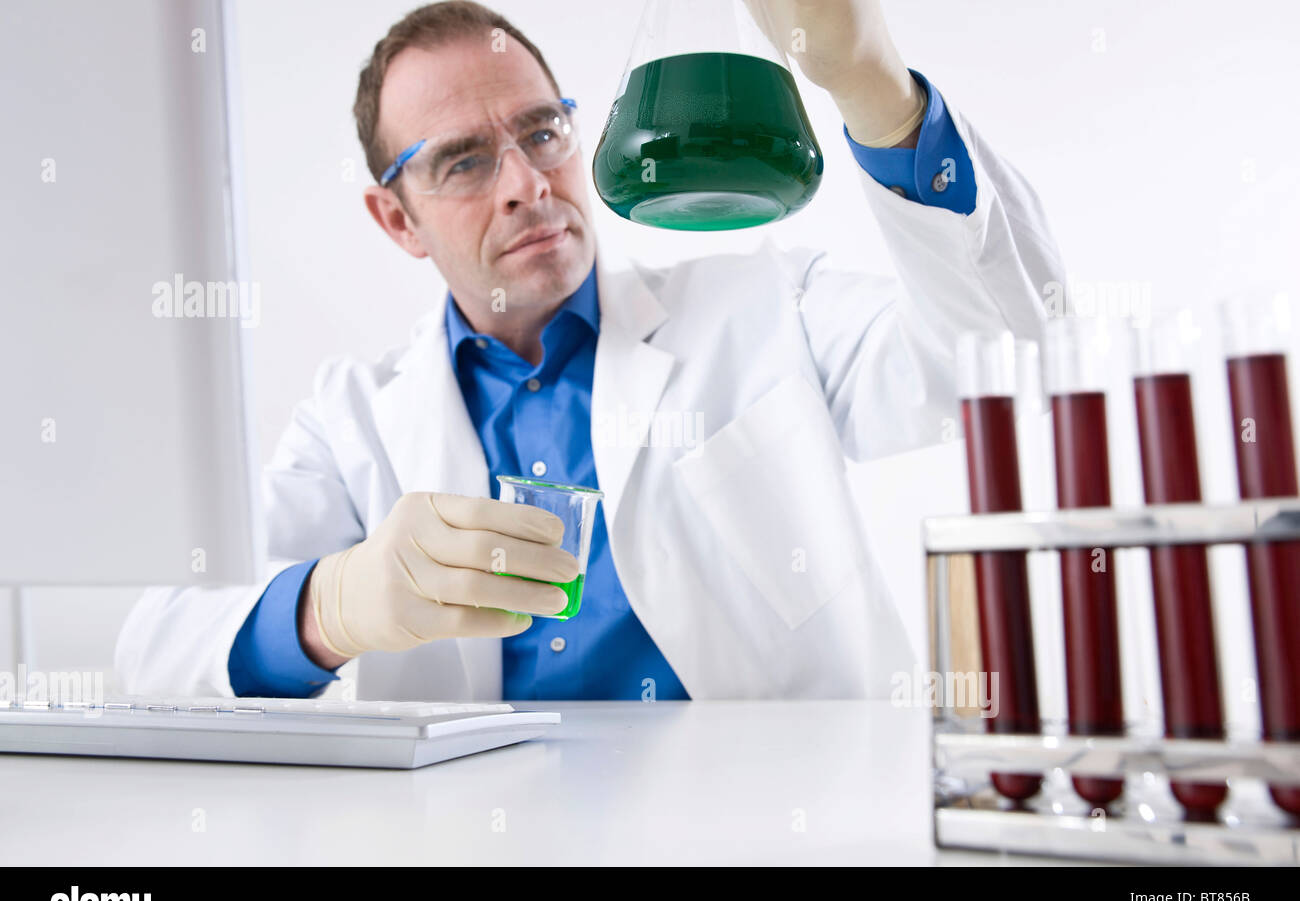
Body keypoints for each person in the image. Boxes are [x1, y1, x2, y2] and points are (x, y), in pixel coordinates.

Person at [117, 0, 1062, 701]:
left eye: (542, 131)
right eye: (464, 161)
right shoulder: (349, 420)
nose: (528, 183)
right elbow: (150, 647)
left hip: (787, 834)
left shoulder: (767, 306)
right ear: (395, 219)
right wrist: (335, 606)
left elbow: (1007, 356)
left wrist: (877, 92)